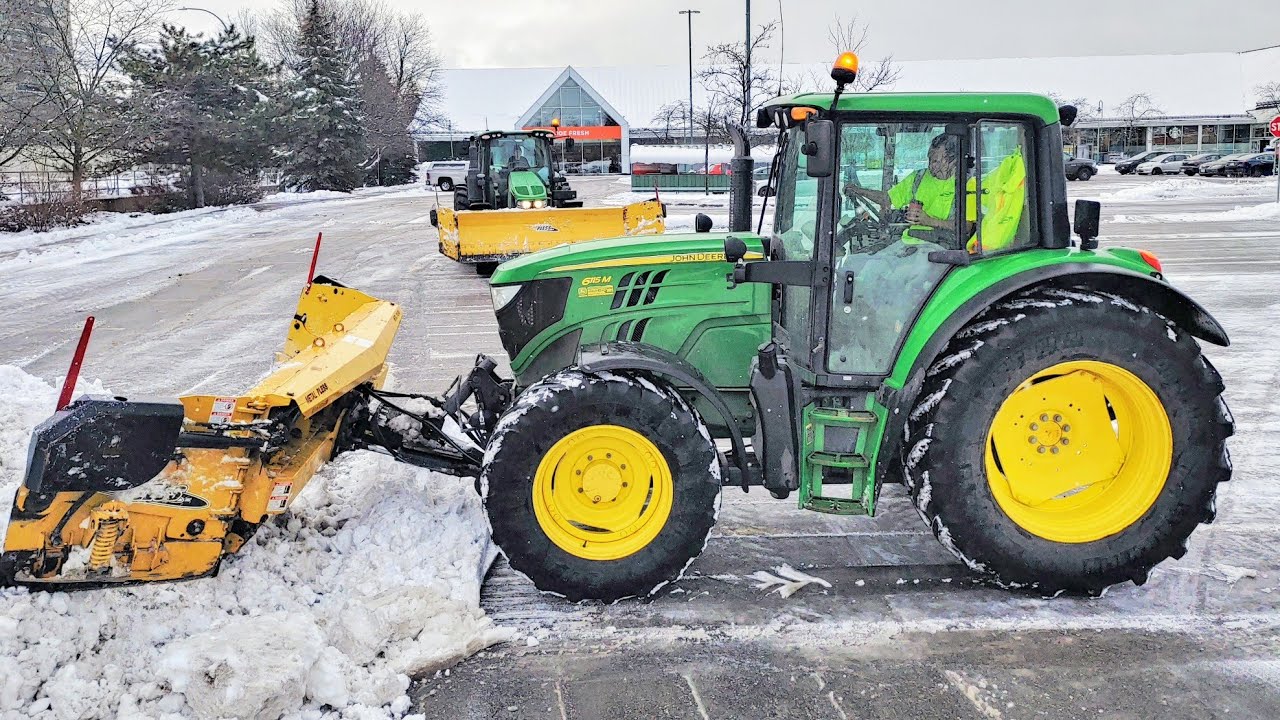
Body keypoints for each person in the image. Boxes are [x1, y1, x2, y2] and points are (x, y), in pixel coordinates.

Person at [843, 134, 975, 247]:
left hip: (941, 249)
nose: (931, 166)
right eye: (929, 159)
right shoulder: (919, 177)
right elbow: (887, 199)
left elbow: (966, 227)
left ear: (952, 160)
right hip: (911, 243)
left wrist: (929, 221)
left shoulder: (967, 184)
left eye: (936, 161)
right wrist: (859, 191)